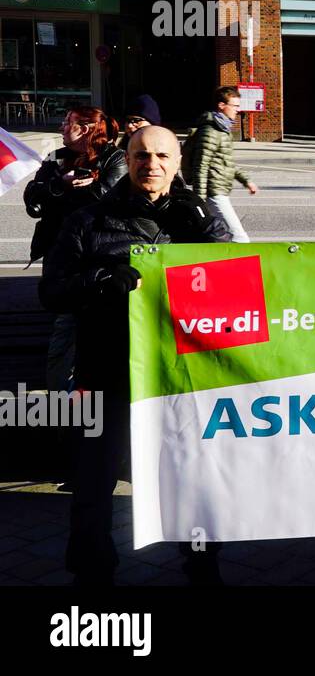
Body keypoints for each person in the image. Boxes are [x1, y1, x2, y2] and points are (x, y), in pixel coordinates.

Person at [40, 125, 231, 585]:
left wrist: (204, 225)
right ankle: (91, 572)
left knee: (195, 479)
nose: (153, 165)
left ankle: (202, 564)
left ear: (178, 161)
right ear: (127, 158)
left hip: (179, 372)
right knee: (93, 484)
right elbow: (52, 292)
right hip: (104, 369)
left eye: (163, 156)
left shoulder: (198, 215)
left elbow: (231, 282)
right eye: (142, 155)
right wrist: (101, 282)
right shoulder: (88, 219)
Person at [24, 107, 127, 392]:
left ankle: (80, 392)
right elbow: (33, 195)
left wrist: (65, 191)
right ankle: (62, 399)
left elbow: (106, 200)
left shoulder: (114, 158)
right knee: (63, 323)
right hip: (60, 252)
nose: (61, 128)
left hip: (95, 256)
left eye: (67, 123)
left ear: (84, 129)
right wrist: (60, 183)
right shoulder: (58, 156)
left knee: (83, 328)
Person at [183, 86, 258, 242]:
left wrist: (246, 181)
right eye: (235, 106)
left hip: (218, 191)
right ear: (221, 105)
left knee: (218, 237)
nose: (238, 110)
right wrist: (200, 200)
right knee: (240, 238)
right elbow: (200, 167)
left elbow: (227, 163)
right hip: (213, 193)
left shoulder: (222, 129)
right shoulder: (210, 131)